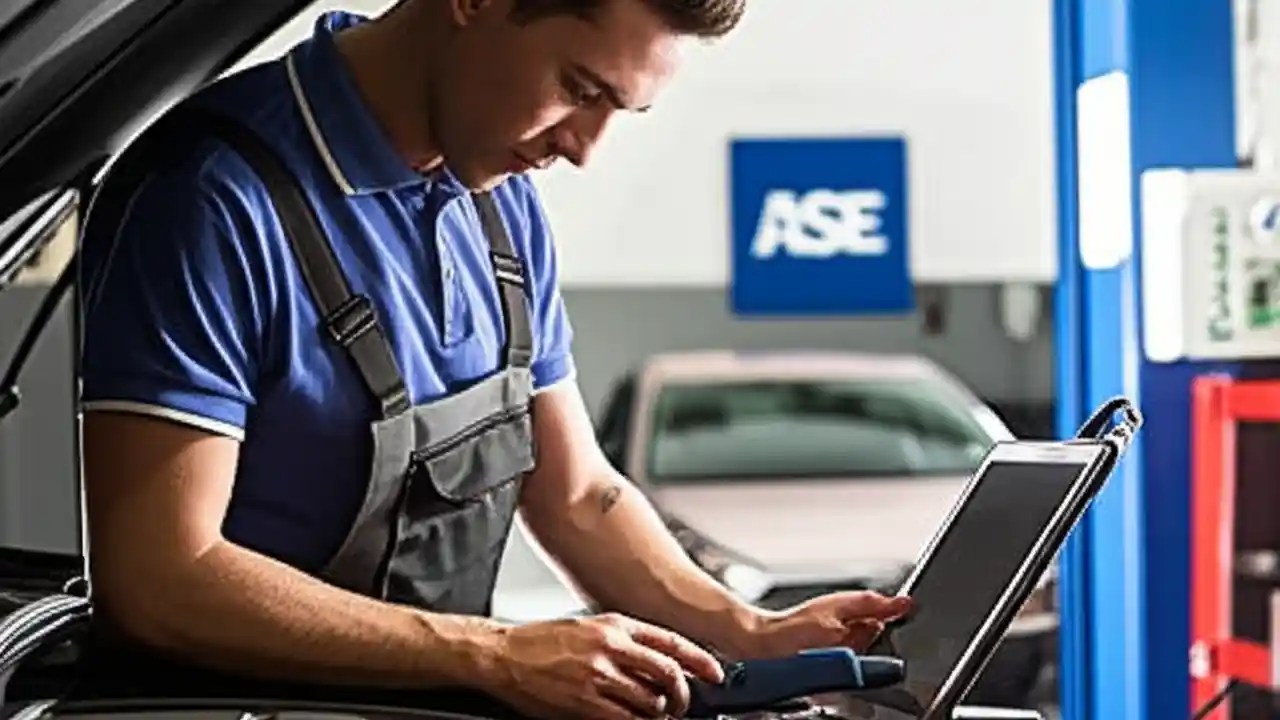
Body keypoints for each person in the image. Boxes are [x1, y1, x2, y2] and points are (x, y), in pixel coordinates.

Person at [76, 1, 912, 718]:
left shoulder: (501, 201)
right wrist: (493, 656)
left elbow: (579, 497)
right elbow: (159, 577)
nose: (586, 148)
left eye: (621, 108)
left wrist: (750, 632)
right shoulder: (209, 200)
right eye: (581, 89)